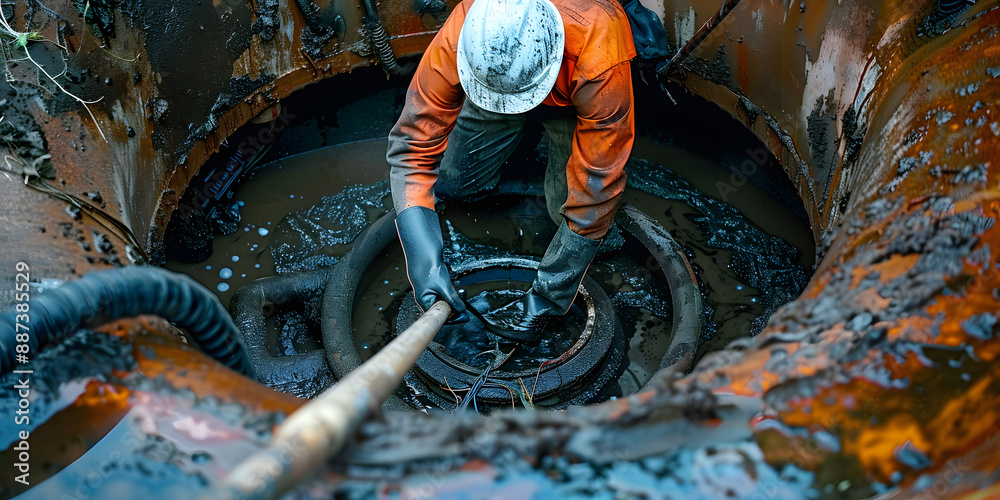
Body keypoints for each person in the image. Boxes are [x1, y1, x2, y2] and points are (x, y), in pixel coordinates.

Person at [388, 0, 636, 342]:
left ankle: (545, 143)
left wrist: (548, 297)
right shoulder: (467, 29)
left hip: (571, 105)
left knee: (564, 211)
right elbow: (412, 147)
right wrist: (424, 261)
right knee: (456, 184)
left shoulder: (600, 49)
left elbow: (598, 182)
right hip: (489, 89)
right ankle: (522, 139)